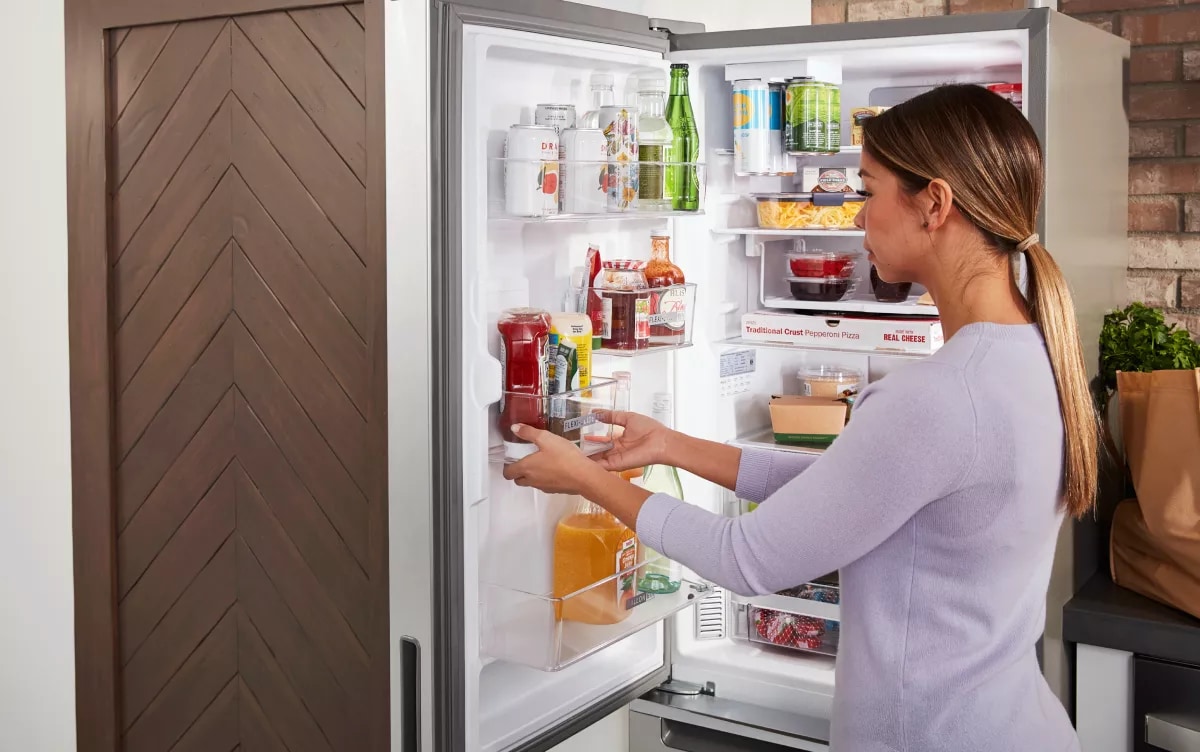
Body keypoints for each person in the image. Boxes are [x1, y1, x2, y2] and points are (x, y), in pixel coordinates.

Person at [502, 83, 1096, 752]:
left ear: (934, 204)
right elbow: (854, 489)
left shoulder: (941, 395)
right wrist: (671, 446)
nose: (856, 218)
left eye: (868, 193)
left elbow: (746, 558)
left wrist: (588, 479)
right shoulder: (1033, 353)